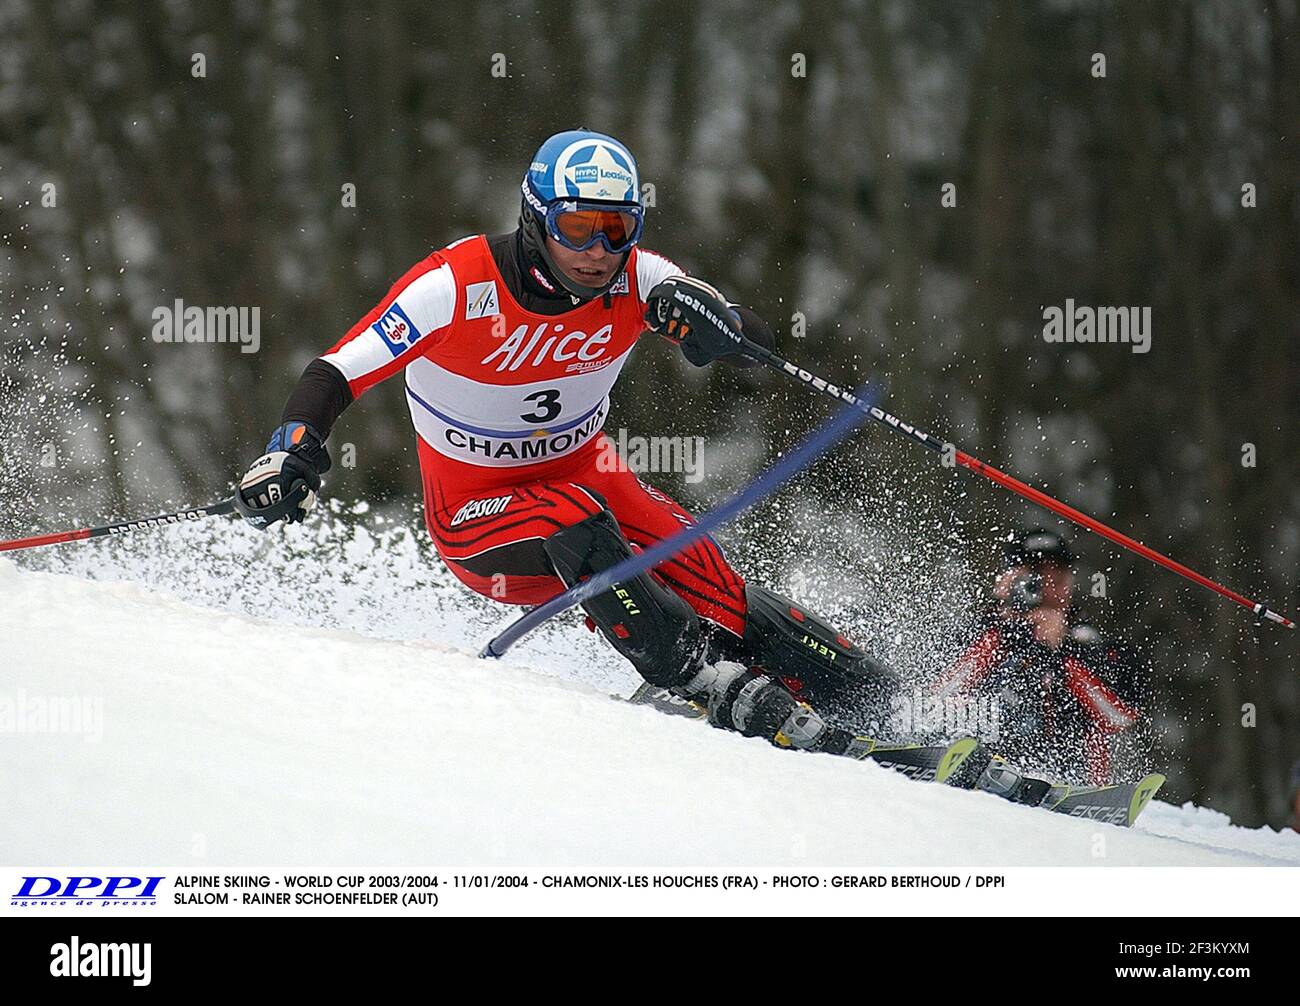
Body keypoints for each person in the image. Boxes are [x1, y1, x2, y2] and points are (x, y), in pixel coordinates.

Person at [233, 128, 893, 756]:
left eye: (619, 229)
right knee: (573, 522)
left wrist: (717, 324)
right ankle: (701, 679)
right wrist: (292, 447)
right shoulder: (456, 286)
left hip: (589, 474)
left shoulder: (639, 279)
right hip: (478, 518)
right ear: (534, 216)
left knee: (710, 577)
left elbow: (757, 344)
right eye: (577, 226)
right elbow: (337, 369)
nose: (599, 249)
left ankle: (877, 699)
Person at [931, 528, 1141, 783]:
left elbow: (1120, 715)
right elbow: (936, 694)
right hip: (980, 769)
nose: (1051, 586)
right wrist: (1010, 630)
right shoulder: (985, 633)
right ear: (1009, 580)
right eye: (1037, 575)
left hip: (1071, 785)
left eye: (1060, 574)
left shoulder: (1088, 643)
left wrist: (1060, 650)